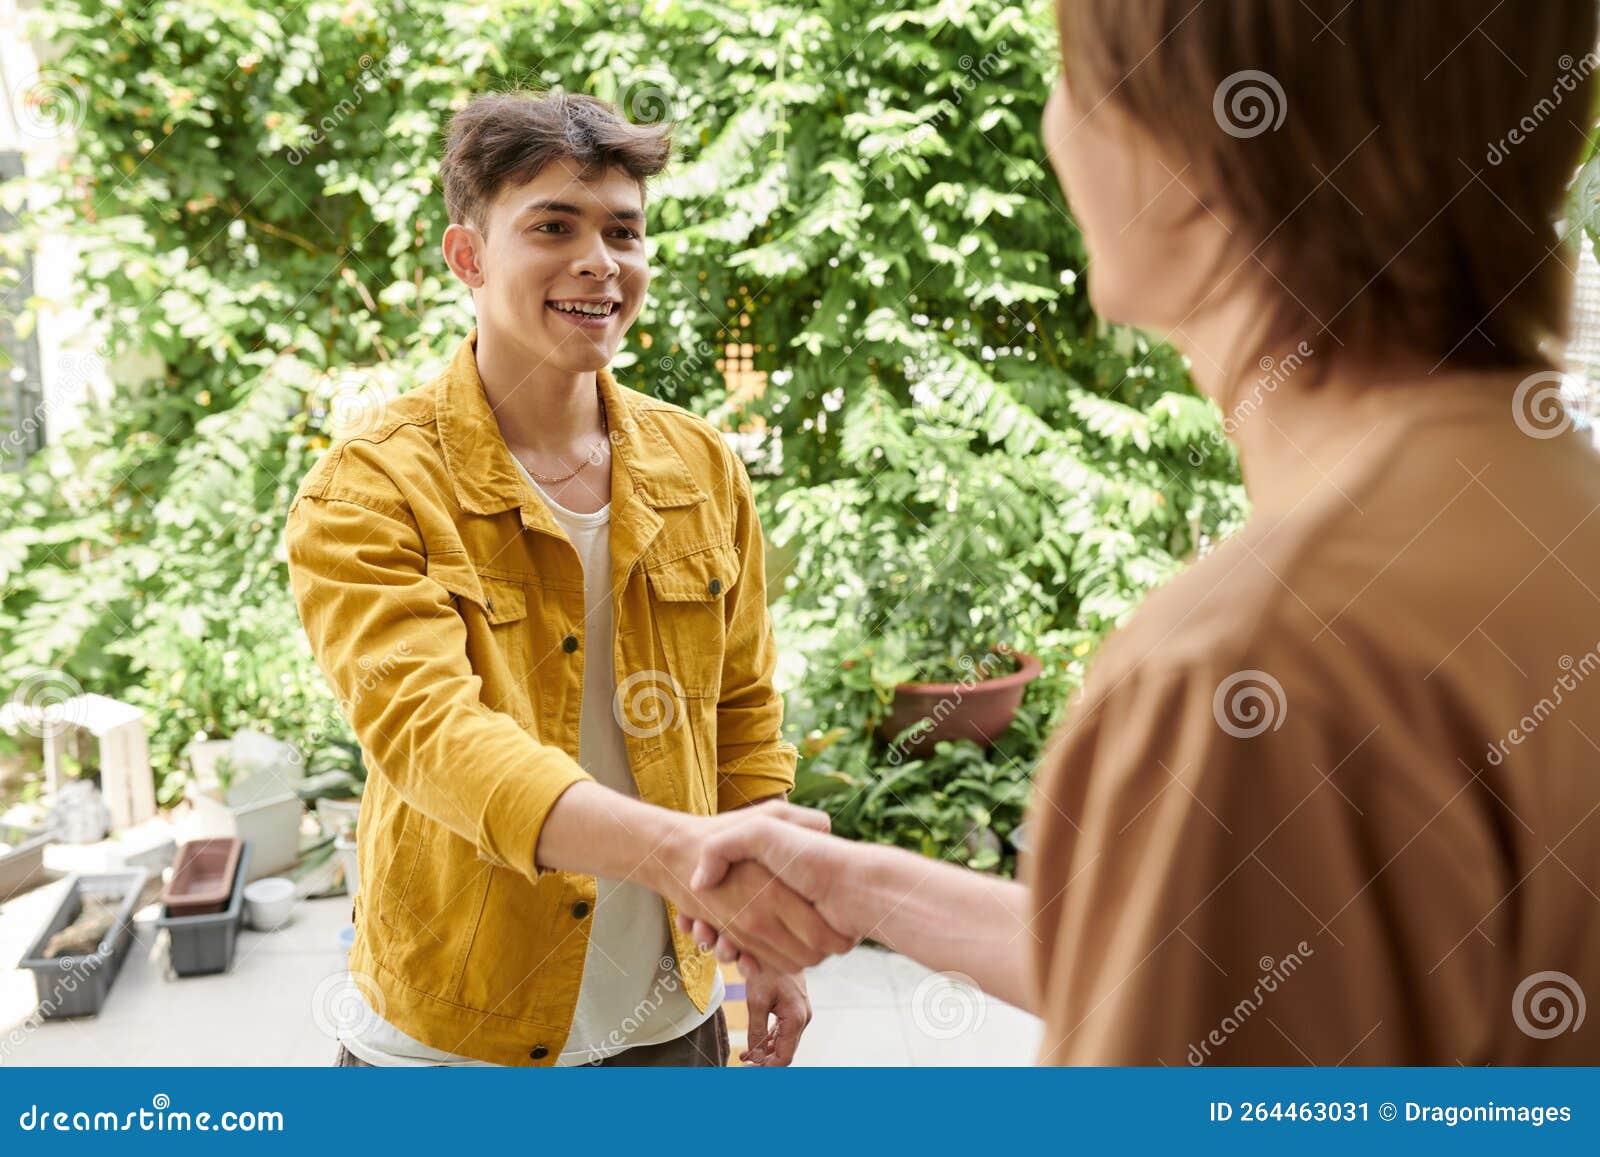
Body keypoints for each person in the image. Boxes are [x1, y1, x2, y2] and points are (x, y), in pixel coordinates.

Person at [673, 0, 1600, 1065]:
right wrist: (862, 882)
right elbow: (1252, 974)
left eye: (1075, 76)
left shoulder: (1262, 666)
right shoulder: (1537, 520)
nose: (1055, 124)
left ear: (1200, 153)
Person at [285, 91, 849, 1069]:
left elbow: (743, 717)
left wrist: (763, 938)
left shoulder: (701, 464)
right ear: (469, 256)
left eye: (623, 232)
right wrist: (681, 852)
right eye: (554, 225)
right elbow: (434, 736)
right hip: (453, 1041)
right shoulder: (371, 484)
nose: (600, 260)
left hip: (670, 1020)